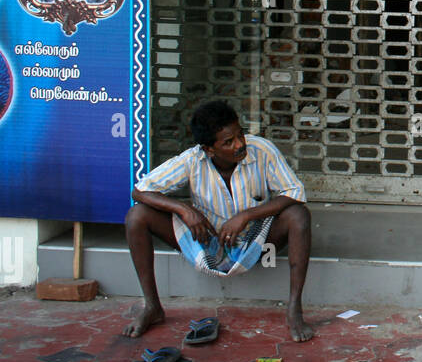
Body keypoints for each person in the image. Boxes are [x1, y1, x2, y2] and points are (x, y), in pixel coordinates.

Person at [124, 100, 315, 341]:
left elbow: (294, 193)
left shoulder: (262, 150)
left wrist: (246, 216)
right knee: (136, 215)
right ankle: (152, 307)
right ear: (208, 149)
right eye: (228, 142)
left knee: (298, 215)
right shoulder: (192, 160)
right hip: (206, 241)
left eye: (240, 135)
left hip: (255, 241)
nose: (239, 144)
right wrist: (183, 209)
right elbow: (140, 191)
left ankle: (294, 308)